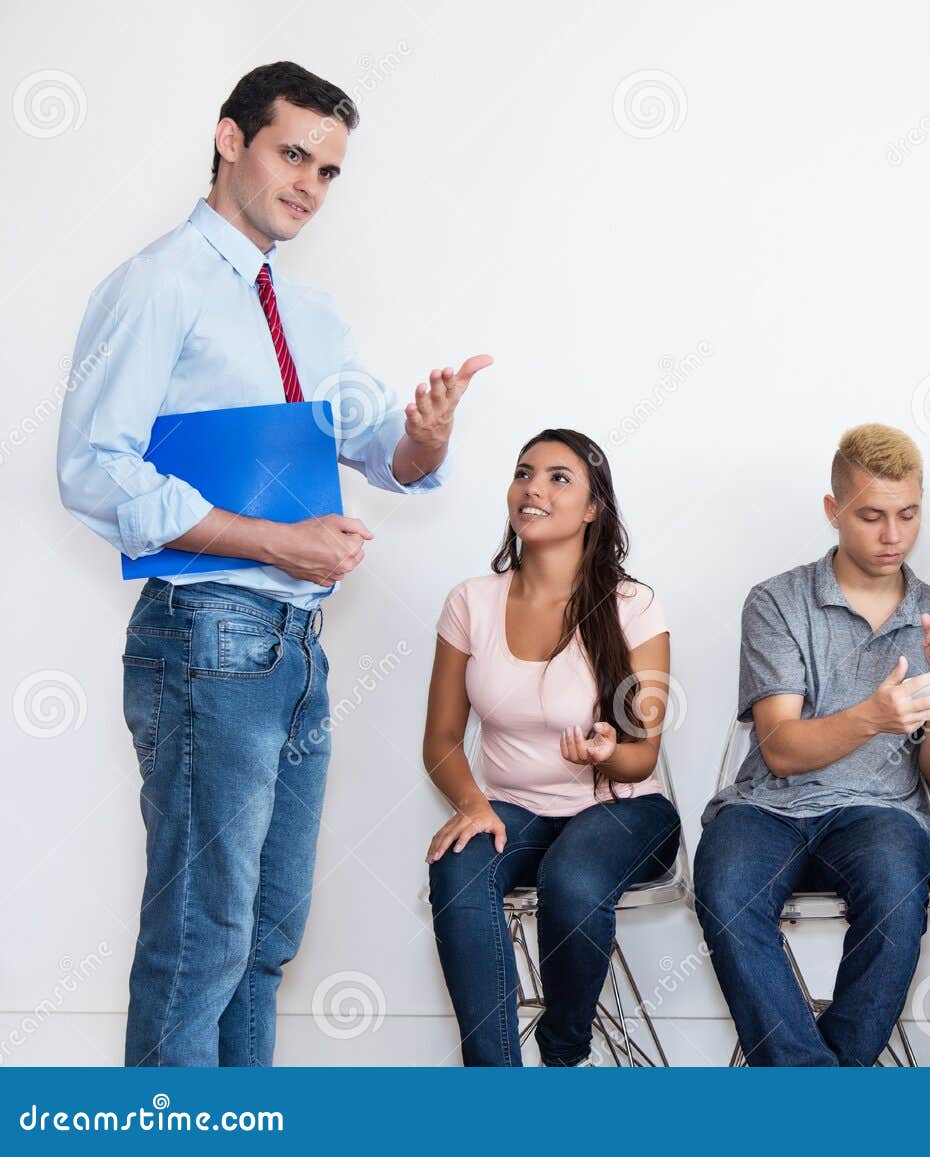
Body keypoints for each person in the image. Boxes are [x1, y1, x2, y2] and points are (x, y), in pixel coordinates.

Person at [57, 62, 491, 1067]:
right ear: (229, 139)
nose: (309, 184)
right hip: (205, 634)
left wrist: (423, 436)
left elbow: (383, 448)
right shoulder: (157, 283)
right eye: (293, 154)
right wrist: (273, 540)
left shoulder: (308, 313)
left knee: (262, 936)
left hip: (294, 647)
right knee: (201, 933)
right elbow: (90, 467)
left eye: (329, 170)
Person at [692, 423, 930, 1066]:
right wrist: (875, 716)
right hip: (767, 807)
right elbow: (781, 751)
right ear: (833, 511)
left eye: (907, 515)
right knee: (726, 891)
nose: (892, 536)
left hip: (881, 814)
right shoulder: (777, 601)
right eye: (871, 516)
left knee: (898, 901)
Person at [424, 430, 679, 1066]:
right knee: (457, 869)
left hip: (624, 806)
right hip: (514, 808)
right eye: (524, 473)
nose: (533, 488)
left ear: (594, 508)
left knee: (572, 877)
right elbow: (441, 741)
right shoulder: (471, 603)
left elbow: (642, 757)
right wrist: (472, 804)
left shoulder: (633, 606)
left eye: (559, 477)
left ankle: (564, 1052)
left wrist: (604, 755)